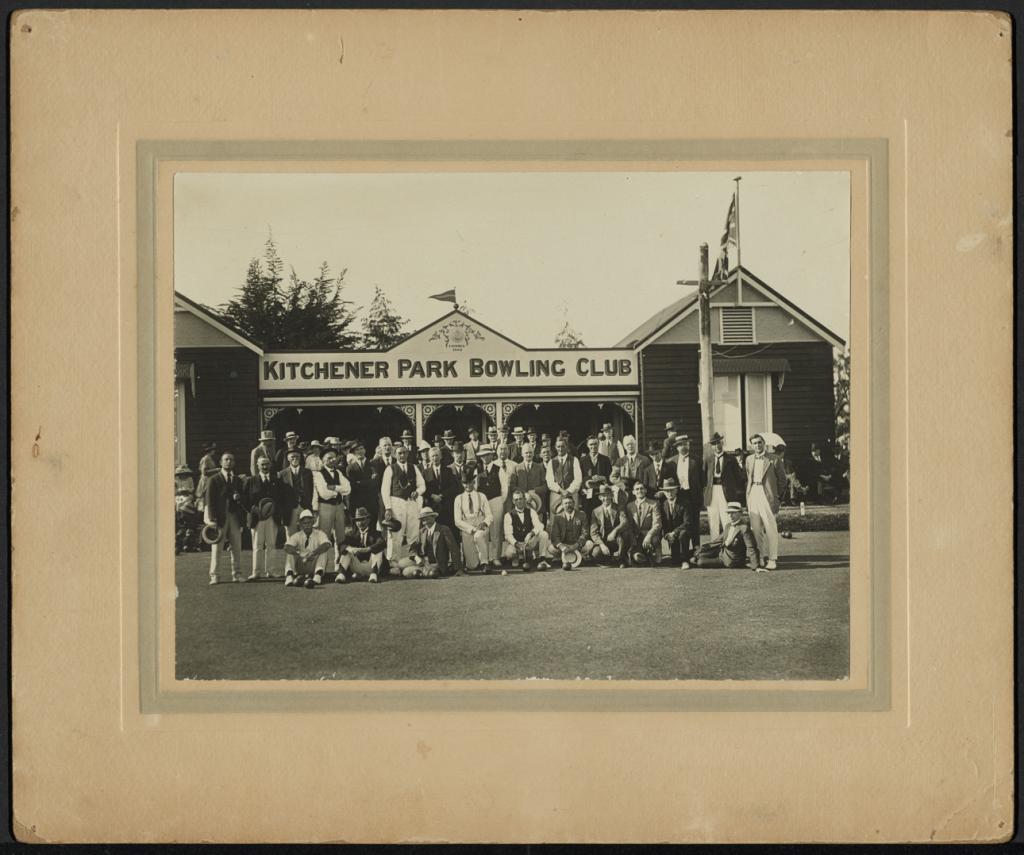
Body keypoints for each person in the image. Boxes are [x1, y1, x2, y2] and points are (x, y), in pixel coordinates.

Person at [204, 451, 247, 584]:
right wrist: (213, 519)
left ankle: (237, 574)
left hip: (234, 517)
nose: (229, 462)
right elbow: (210, 501)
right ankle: (215, 576)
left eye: (231, 460)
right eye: (226, 459)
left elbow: (243, 500)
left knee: (236, 547)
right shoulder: (214, 480)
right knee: (217, 548)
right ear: (221, 463)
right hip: (219, 518)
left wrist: (239, 499)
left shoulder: (238, 481)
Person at [380, 443, 425, 564]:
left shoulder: (414, 467)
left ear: (408, 454)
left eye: (404, 453)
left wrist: (418, 492)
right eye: (399, 453)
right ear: (395, 454)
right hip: (396, 502)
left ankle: (413, 556)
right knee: (396, 532)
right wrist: (388, 508)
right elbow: (385, 490)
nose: (402, 455)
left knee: (413, 530)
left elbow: (422, 485)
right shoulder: (390, 468)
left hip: (411, 503)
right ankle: (393, 560)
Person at [312, 449, 352, 576]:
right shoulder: (318, 474)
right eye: (329, 458)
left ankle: (340, 565)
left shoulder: (339, 472)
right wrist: (338, 492)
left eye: (334, 457)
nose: (332, 460)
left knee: (340, 537)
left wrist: (334, 488)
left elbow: (348, 488)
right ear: (323, 460)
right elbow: (324, 493)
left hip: (339, 507)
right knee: (324, 538)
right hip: (325, 507)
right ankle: (321, 567)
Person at [745, 434, 781, 570]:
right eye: (754, 443)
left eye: (760, 442)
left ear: (764, 443)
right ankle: (760, 557)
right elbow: (749, 477)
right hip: (753, 492)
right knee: (756, 529)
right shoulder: (748, 459)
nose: (757, 445)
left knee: (770, 528)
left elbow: (782, 480)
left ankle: (772, 559)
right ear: (751, 445)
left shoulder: (774, 459)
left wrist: (776, 496)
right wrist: (748, 495)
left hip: (768, 496)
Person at [243, 455, 281, 579]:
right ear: (257, 466)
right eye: (262, 464)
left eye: (267, 464)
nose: (265, 467)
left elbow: (281, 499)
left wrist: (273, 511)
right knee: (257, 545)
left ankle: (271, 571)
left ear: (270, 465)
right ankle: (256, 572)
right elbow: (245, 500)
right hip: (257, 518)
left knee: (271, 544)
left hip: (272, 517)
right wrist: (255, 510)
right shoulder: (251, 481)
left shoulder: (276, 480)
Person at [693, 502, 761, 569]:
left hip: (731, 560)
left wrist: (756, 566)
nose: (730, 515)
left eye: (733, 513)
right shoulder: (728, 526)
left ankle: (694, 561)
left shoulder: (744, 528)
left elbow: (751, 547)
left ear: (740, 513)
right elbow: (718, 541)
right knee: (699, 554)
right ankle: (691, 559)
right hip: (722, 552)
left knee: (701, 562)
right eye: (729, 513)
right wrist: (702, 548)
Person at [399, 507, 462, 578]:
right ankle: (422, 571)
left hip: (437, 563)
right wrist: (417, 558)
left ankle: (422, 572)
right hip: (423, 561)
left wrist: (457, 568)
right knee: (401, 563)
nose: (425, 521)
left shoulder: (443, 529)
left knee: (406, 572)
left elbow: (454, 549)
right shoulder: (422, 531)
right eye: (423, 519)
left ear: (433, 517)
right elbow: (412, 548)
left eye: (427, 518)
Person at [666, 434, 702, 555]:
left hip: (693, 495)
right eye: (680, 445)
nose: (683, 447)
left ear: (689, 444)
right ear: (676, 447)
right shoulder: (671, 462)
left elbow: (702, 479)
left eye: (685, 444)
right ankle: (677, 551)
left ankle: (697, 548)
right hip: (679, 495)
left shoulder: (696, 459)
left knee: (694, 522)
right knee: (679, 522)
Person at [281, 509, 333, 588]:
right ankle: (289, 576)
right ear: (301, 524)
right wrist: (299, 554)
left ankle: (318, 576)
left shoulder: (319, 533)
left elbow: (327, 545)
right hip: (301, 564)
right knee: (290, 554)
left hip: (314, 564)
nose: (307, 525)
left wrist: (312, 554)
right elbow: (286, 547)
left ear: (313, 522)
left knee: (323, 552)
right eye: (305, 523)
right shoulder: (297, 535)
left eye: (309, 522)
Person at [453, 472, 493, 572]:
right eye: (465, 483)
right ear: (462, 484)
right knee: (472, 566)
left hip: (481, 525)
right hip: (467, 528)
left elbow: (489, 515)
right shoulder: (458, 498)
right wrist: (472, 529)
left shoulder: (481, 496)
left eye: (470, 482)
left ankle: (485, 563)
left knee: (478, 536)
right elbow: (457, 521)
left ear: (474, 482)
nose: (467, 485)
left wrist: (484, 523)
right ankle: (475, 561)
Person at [337, 506, 387, 582]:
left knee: (377, 550)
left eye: (363, 519)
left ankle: (374, 575)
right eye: (358, 520)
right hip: (357, 566)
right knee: (346, 550)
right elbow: (341, 545)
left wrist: (368, 549)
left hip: (372, 566)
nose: (360, 523)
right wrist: (351, 549)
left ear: (368, 520)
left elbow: (382, 543)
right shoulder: (351, 534)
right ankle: (341, 574)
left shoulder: (375, 533)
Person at [502, 489, 548, 571]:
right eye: (516, 499)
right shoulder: (508, 515)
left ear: (524, 499)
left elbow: (540, 525)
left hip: (528, 542)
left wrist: (531, 533)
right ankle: (516, 557)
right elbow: (508, 535)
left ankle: (542, 559)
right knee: (509, 553)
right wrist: (517, 544)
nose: (519, 501)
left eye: (520, 499)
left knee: (543, 534)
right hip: (517, 544)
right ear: (513, 501)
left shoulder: (531, 512)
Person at [545, 493, 593, 570]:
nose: (568, 505)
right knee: (550, 547)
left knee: (589, 544)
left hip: (577, 545)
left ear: (574, 503)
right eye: (566, 503)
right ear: (562, 505)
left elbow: (585, 533)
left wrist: (576, 545)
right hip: (564, 546)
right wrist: (562, 546)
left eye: (570, 503)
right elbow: (554, 535)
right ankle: (561, 557)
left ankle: (579, 556)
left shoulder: (582, 515)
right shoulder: (558, 517)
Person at [476, 444, 506, 568]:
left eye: (487, 455)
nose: (484, 458)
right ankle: (484, 558)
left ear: (491, 456)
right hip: (482, 504)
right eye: (482, 456)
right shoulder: (477, 469)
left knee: (496, 531)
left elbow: (504, 488)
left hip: (496, 501)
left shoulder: (499, 469)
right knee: (484, 530)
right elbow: (475, 487)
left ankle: (495, 557)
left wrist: (499, 501)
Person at [589, 484, 630, 567]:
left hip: (616, 539)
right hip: (604, 540)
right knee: (596, 553)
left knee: (623, 536)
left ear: (612, 496)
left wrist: (614, 531)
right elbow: (593, 532)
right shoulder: (595, 511)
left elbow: (625, 522)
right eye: (603, 496)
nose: (606, 498)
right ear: (600, 498)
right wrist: (602, 545)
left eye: (608, 495)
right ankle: (609, 559)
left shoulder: (619, 507)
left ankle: (621, 559)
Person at [657, 477, 693, 569]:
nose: (669, 493)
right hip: (671, 537)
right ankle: (686, 555)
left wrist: (674, 533)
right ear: (664, 492)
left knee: (683, 533)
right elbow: (663, 523)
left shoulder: (685, 503)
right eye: (667, 491)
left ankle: (685, 560)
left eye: (672, 490)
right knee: (675, 561)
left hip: (681, 534)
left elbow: (687, 523)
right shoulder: (662, 505)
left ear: (676, 490)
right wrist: (666, 535)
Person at [278, 448, 314, 536]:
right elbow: (281, 495)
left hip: (304, 506)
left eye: (297, 457)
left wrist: (309, 505)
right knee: (291, 535)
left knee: (306, 533)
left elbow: (311, 490)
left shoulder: (307, 472)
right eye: (292, 457)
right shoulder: (282, 474)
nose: (295, 459)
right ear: (288, 459)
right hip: (290, 508)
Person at [422, 445, 459, 529]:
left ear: (441, 456)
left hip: (446, 506)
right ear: (429, 457)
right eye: (433, 456)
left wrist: (442, 495)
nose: (435, 458)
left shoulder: (448, 471)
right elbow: (423, 488)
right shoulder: (425, 473)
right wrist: (432, 496)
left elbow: (453, 487)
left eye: (437, 455)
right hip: (432, 506)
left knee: (448, 529)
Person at [626, 481, 662, 565]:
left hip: (650, 536)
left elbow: (657, 524)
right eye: (637, 489)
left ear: (645, 490)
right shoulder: (629, 506)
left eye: (641, 488)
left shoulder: (654, 504)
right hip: (636, 536)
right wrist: (632, 539)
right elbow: (629, 526)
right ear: (633, 492)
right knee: (637, 557)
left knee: (655, 540)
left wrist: (649, 535)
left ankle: (656, 553)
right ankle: (646, 556)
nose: (639, 491)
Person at [546, 436, 583, 516]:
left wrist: (568, 491)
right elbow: (549, 481)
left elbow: (578, 479)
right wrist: (561, 490)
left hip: (571, 494)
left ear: (567, 447)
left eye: (563, 446)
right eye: (558, 446)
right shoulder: (551, 462)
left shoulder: (574, 460)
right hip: (556, 494)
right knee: (556, 519)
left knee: (572, 518)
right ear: (555, 448)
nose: (561, 448)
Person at [345, 441, 376, 530]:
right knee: (357, 525)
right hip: (356, 500)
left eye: (361, 449)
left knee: (371, 524)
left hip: (371, 499)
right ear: (354, 452)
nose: (360, 451)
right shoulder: (350, 467)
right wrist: (368, 481)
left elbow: (375, 482)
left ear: (365, 450)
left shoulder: (373, 464)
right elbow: (352, 484)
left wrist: (360, 482)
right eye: (357, 450)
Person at [578, 435, 612, 516]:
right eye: (591, 444)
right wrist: (584, 487)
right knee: (588, 515)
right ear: (587, 445)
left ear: (599, 444)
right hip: (588, 493)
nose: (593, 446)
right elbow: (579, 477)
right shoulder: (582, 460)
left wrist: (603, 477)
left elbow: (610, 477)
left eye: (595, 444)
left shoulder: (605, 459)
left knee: (602, 515)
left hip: (601, 493)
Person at [368, 436, 396, 523]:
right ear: (380, 448)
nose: (387, 447)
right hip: (380, 497)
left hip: (396, 495)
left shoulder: (397, 461)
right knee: (384, 520)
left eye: (389, 445)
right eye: (384, 445)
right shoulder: (373, 463)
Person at [175, 464, 201, 553]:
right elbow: (174, 491)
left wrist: (187, 490)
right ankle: (181, 519)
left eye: (184, 473)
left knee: (188, 504)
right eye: (181, 474)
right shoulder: (176, 480)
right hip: (178, 497)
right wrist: (180, 491)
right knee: (178, 505)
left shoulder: (190, 479)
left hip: (188, 496)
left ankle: (186, 520)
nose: (183, 475)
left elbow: (192, 489)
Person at [194, 442, 220, 513]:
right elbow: (204, 472)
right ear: (210, 450)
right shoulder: (206, 458)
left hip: (210, 479)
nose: (214, 451)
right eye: (213, 450)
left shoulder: (210, 458)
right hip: (206, 480)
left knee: (209, 497)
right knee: (204, 498)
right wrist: (217, 470)